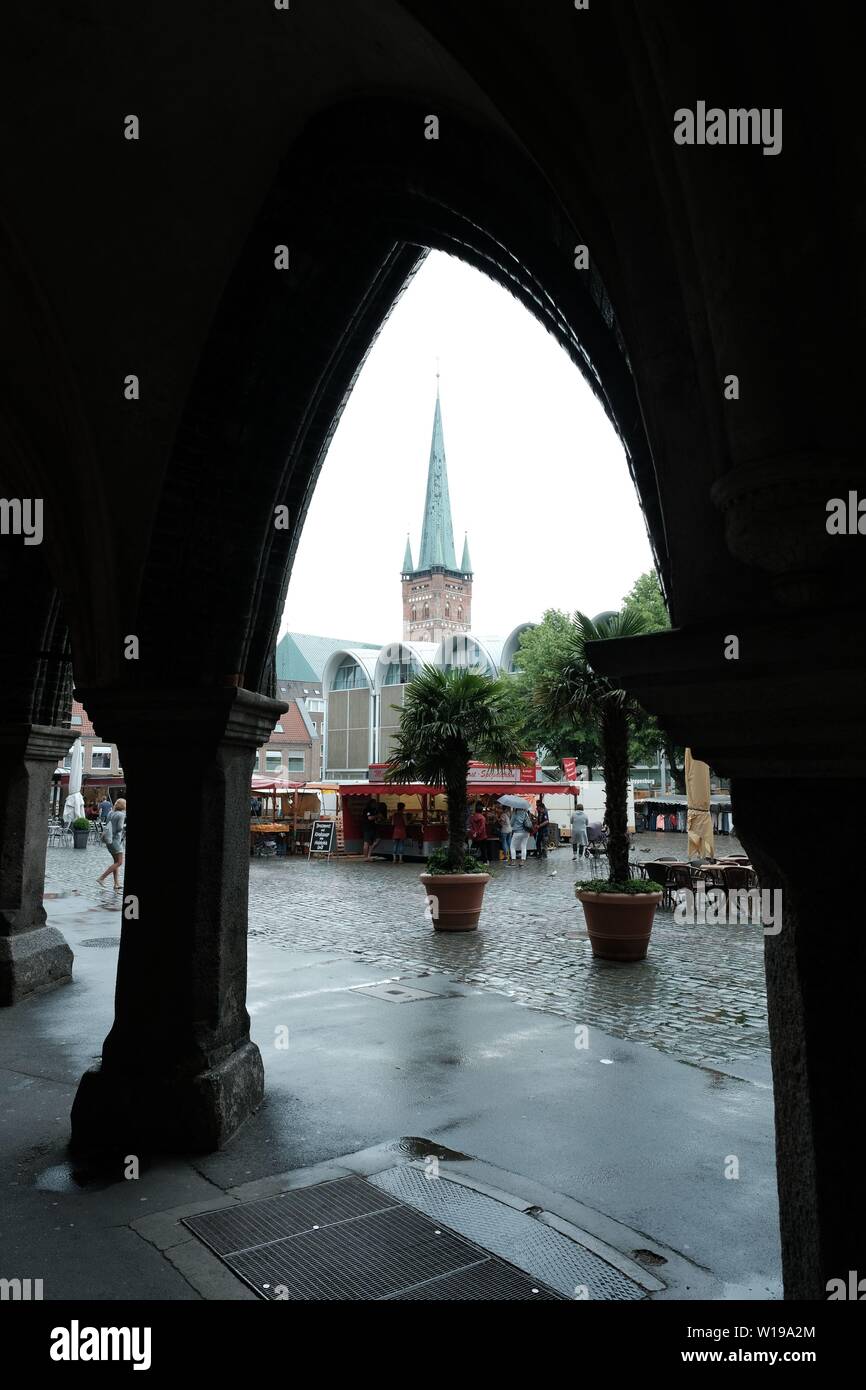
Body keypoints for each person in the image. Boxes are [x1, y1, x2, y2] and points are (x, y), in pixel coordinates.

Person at [97, 797, 126, 891]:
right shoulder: (121, 815)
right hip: (116, 840)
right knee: (120, 862)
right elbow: (119, 828)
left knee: (116, 862)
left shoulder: (110, 813)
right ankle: (101, 878)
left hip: (109, 839)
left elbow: (108, 825)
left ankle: (116, 884)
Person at [362, 796, 379, 860]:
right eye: (374, 803)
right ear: (371, 803)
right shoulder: (367, 810)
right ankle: (365, 857)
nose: (375, 805)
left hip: (373, 828)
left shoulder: (373, 810)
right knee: (366, 842)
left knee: (376, 840)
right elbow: (370, 818)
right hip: (367, 828)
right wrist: (377, 816)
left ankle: (368, 855)